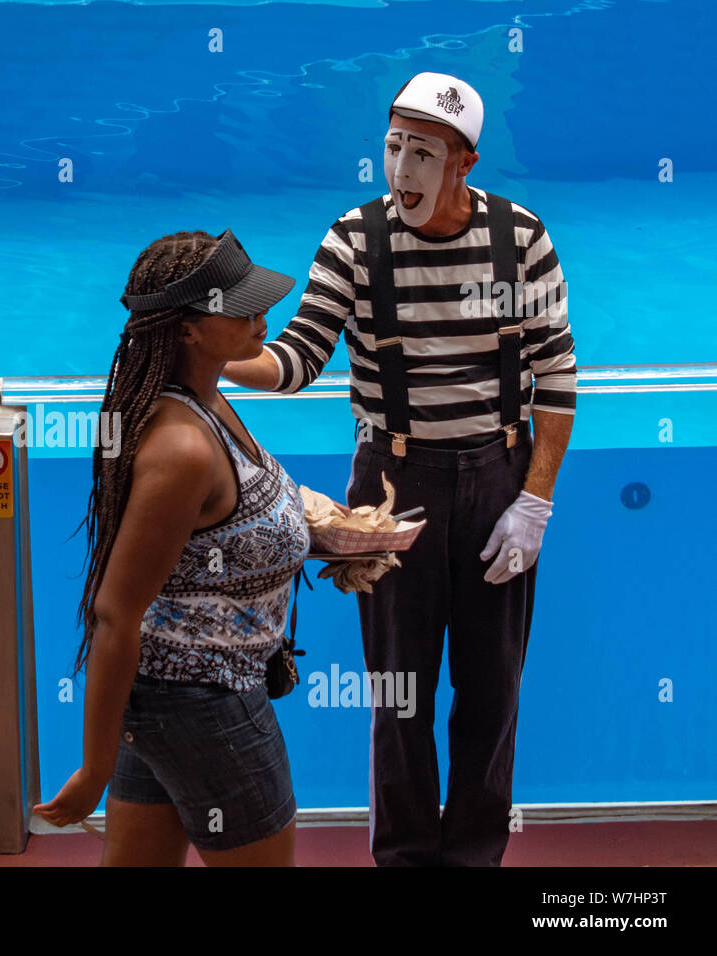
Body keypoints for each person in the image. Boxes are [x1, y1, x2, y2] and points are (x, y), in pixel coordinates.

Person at [223, 73, 577, 866]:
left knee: (492, 694)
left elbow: (556, 379)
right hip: (392, 488)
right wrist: (211, 361)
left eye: (423, 154)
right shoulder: (355, 239)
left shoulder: (522, 239)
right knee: (397, 697)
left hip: (499, 481)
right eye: (392, 148)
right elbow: (299, 355)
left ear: (465, 163)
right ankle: (408, 859)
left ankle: (477, 856)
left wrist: (535, 504)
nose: (401, 171)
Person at [36, 229, 310, 866]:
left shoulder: (205, 397)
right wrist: (94, 770)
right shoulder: (182, 448)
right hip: (205, 704)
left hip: (168, 694)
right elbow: (114, 613)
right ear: (187, 328)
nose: (261, 313)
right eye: (238, 305)